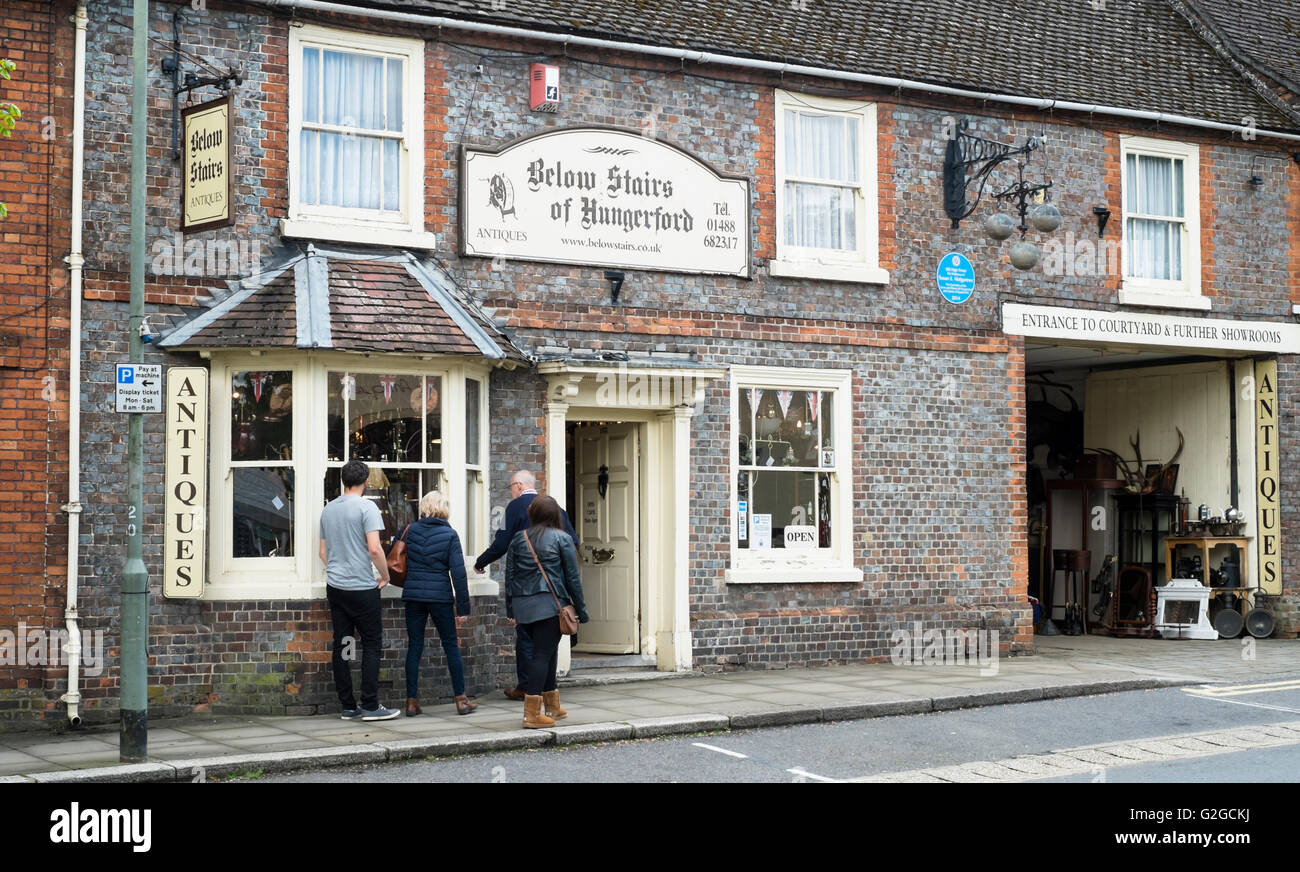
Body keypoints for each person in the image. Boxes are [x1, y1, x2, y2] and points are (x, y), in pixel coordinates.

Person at [474, 469, 577, 700]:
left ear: (519, 486)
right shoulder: (557, 509)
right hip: (554, 588)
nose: (511, 491)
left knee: (526, 638)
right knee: (547, 644)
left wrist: (480, 563)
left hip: (526, 585)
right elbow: (574, 541)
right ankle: (547, 693)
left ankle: (526, 687)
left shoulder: (515, 507)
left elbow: (502, 544)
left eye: (511, 486)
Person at [318, 459, 401, 721]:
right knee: (372, 645)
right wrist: (385, 575)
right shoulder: (368, 507)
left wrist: (338, 570)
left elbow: (323, 552)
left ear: (344, 480)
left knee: (344, 644)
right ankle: (370, 705)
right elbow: (375, 549)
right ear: (366, 481)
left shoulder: (328, 510)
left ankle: (348, 706)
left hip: (337, 587)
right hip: (363, 589)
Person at [504, 495, 589, 728]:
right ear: (555, 515)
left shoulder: (518, 538)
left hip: (523, 606)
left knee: (548, 652)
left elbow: (509, 575)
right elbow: (573, 578)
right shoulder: (562, 538)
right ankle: (531, 714)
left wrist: (510, 607)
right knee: (542, 654)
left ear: (533, 514)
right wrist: (581, 609)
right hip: (549, 606)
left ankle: (552, 706)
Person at [401, 490, 476, 717]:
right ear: (444, 509)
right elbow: (458, 573)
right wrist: (462, 607)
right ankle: (461, 700)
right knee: (450, 645)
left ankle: (411, 703)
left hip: (413, 595)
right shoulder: (450, 535)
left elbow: (393, 553)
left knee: (414, 646)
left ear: (424, 507)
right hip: (440, 597)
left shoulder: (409, 530)